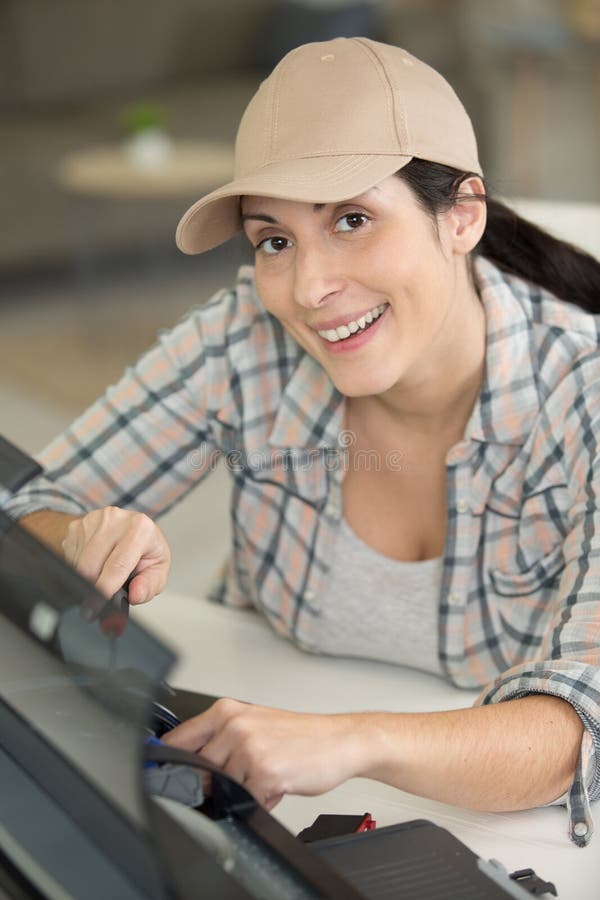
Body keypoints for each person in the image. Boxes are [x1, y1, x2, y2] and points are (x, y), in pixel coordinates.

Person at [7, 37, 600, 847]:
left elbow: (579, 730)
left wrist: (350, 740)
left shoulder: (583, 394)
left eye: (352, 220)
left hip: (509, 835)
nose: (310, 289)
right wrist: (74, 539)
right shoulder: (244, 337)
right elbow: (28, 507)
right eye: (274, 240)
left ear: (462, 215)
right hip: (266, 795)